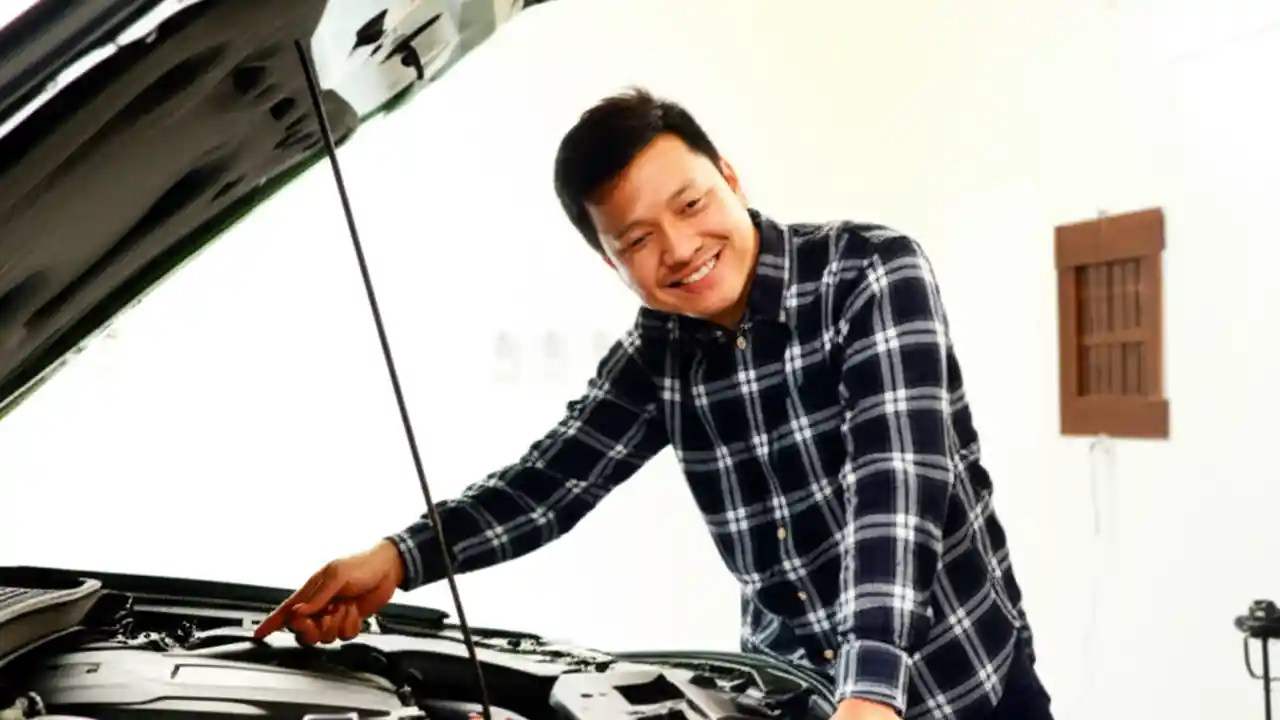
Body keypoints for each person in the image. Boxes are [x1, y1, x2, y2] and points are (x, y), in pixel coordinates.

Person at [255, 87, 1052, 720]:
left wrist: (872, 692)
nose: (677, 248)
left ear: (730, 177)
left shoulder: (869, 272)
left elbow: (897, 489)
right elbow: (549, 482)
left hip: (962, 686)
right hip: (799, 697)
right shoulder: (655, 355)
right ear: (610, 262)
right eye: (634, 239)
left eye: (692, 203)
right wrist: (396, 558)